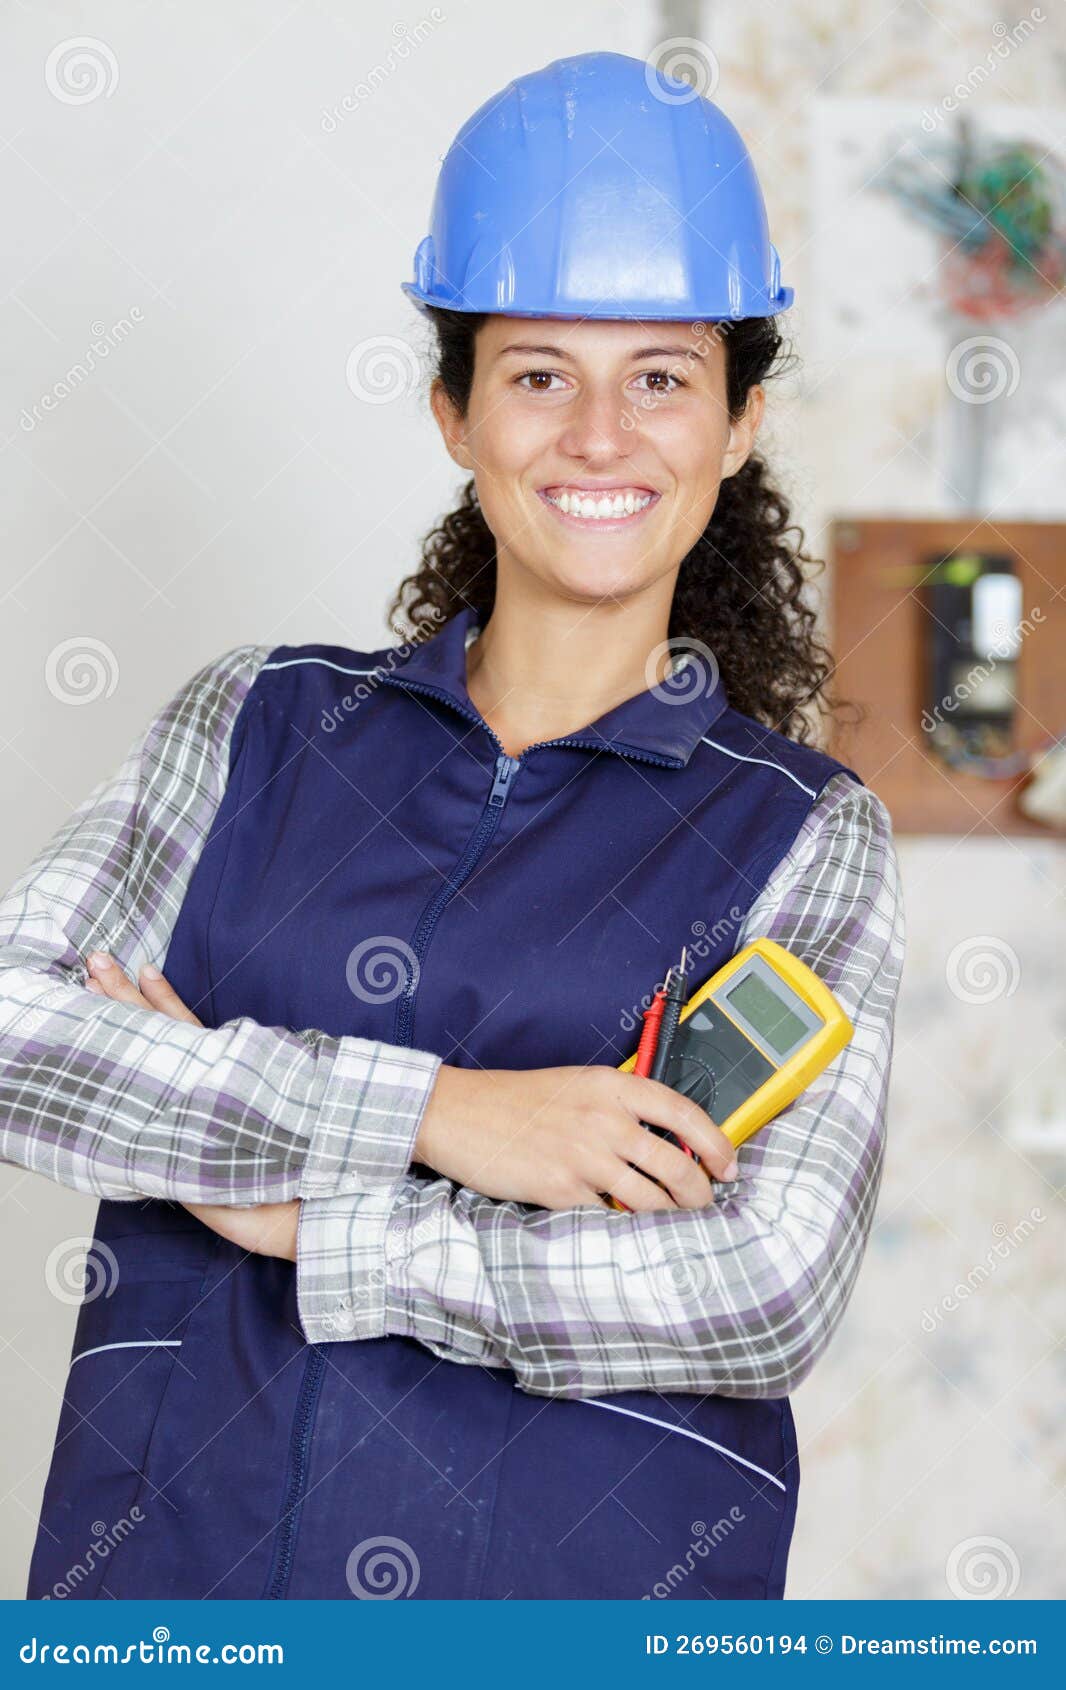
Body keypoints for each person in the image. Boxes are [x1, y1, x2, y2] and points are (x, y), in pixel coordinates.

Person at [1, 51, 905, 1600]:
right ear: (453, 411)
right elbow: (21, 1033)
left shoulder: (806, 834)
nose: (599, 435)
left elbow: (756, 1282)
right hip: (174, 1591)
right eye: (538, 374)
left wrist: (313, 1221)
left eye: (661, 378)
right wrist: (443, 1116)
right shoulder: (255, 720)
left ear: (739, 421)